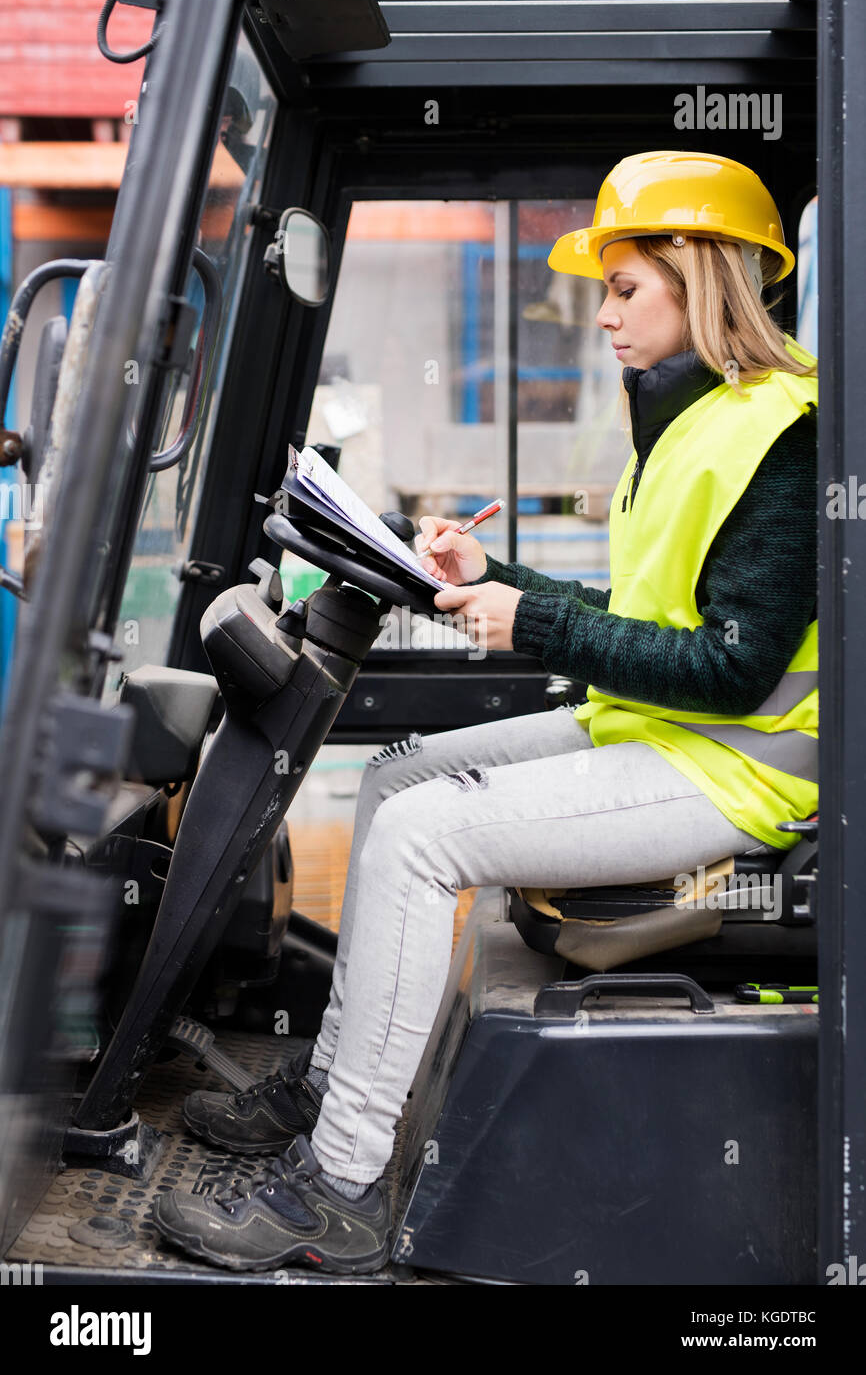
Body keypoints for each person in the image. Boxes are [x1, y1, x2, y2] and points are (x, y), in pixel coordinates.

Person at [152, 151, 819, 1274]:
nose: (600, 315)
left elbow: (732, 668)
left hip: (734, 769)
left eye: (625, 287)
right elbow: (647, 610)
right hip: (656, 735)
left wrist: (536, 626)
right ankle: (329, 1087)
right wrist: (494, 573)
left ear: (703, 278)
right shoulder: (697, 420)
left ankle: (343, 1188)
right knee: (393, 779)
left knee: (423, 838)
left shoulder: (779, 435)